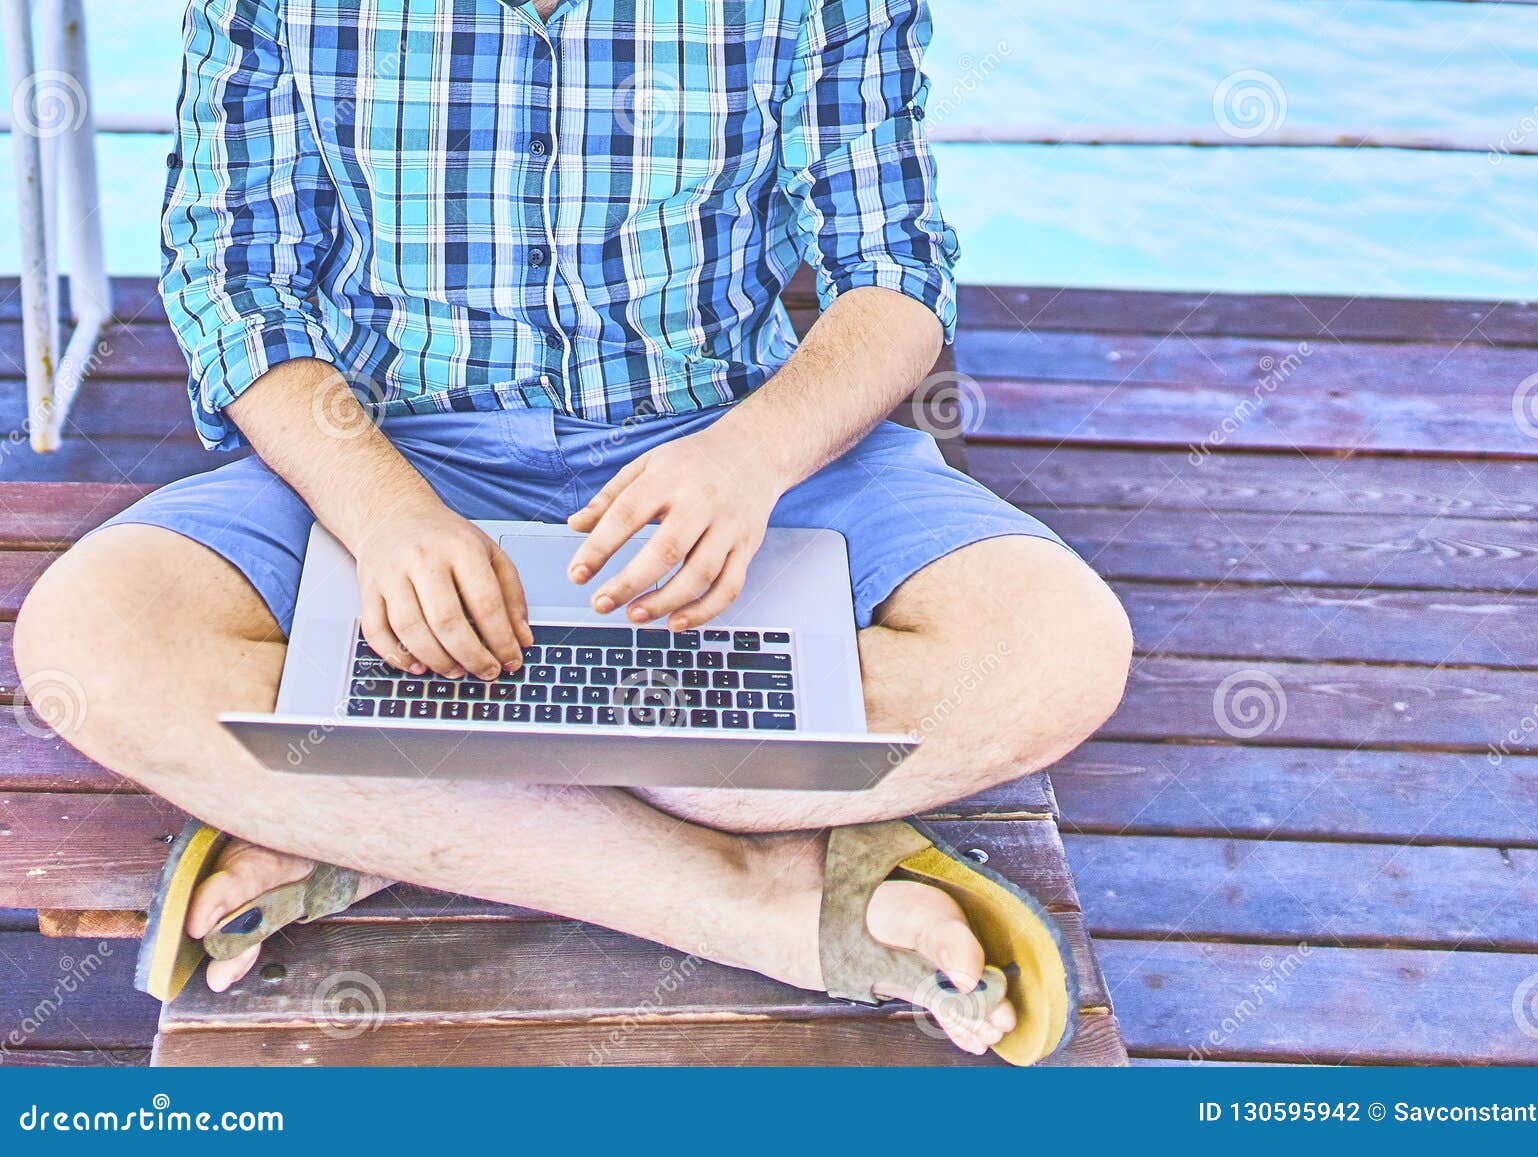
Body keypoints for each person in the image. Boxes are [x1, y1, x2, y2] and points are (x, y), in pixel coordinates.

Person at [15, 0, 1131, 1060]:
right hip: (389, 447)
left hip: (725, 438)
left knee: (1056, 650)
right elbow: (232, 280)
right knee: (91, 642)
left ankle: (376, 823)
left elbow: (893, 271)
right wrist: (384, 514)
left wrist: (749, 457)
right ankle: (767, 904)